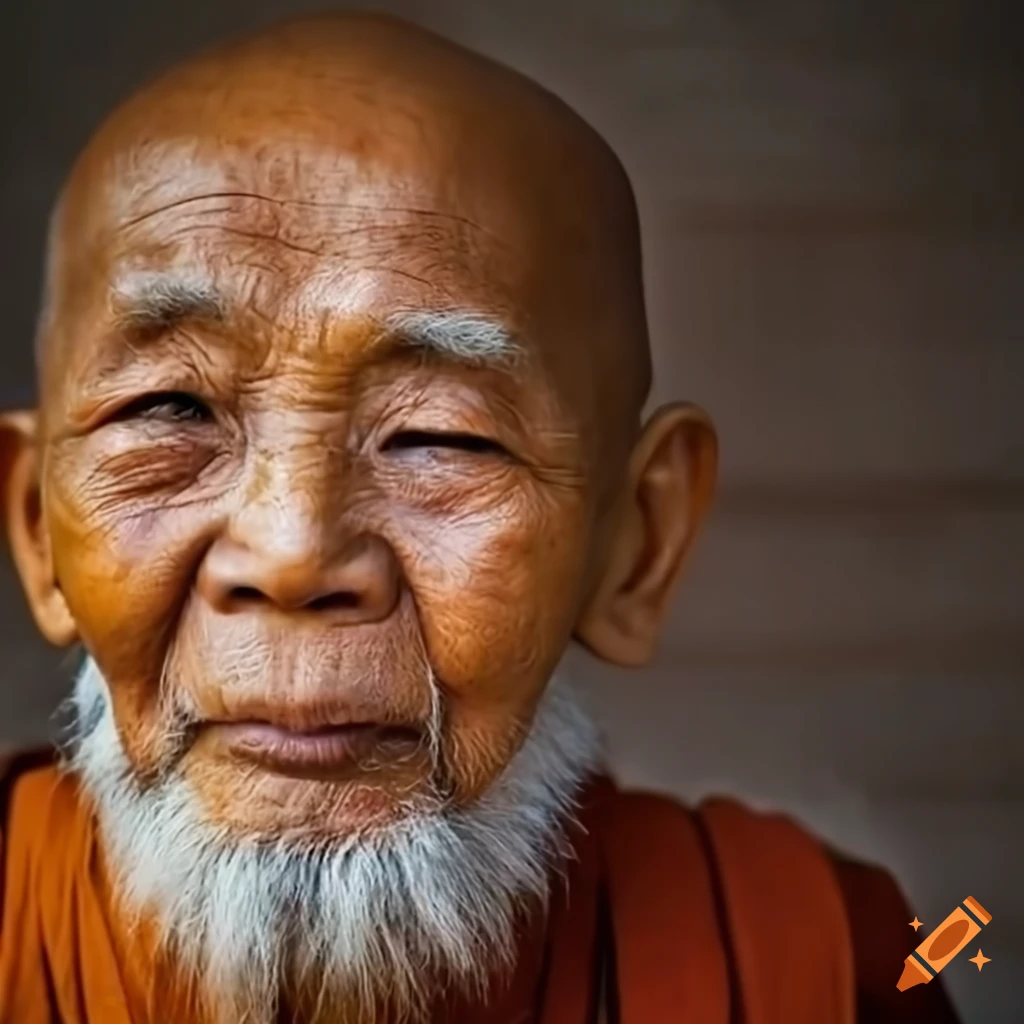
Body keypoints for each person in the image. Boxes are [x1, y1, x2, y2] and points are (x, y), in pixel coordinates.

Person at [0, 13, 961, 1024]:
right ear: (37, 531)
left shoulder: (833, 960)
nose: (290, 554)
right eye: (171, 412)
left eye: (438, 440)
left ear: (633, 545)